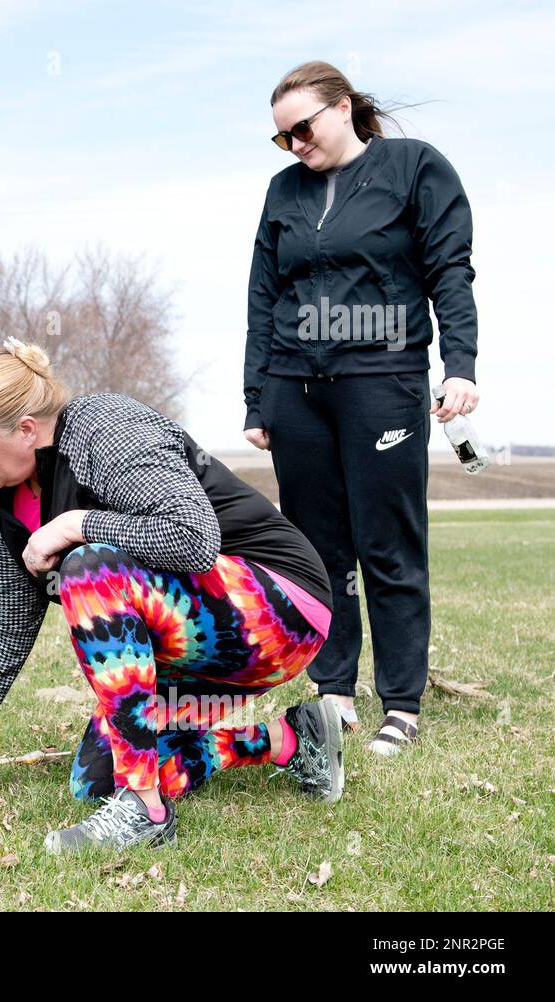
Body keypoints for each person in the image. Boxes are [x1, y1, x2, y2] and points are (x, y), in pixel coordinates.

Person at [0, 339, 343, 854]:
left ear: (26, 429)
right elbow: (3, 637)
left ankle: (146, 811)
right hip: (194, 657)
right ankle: (293, 739)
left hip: (281, 609)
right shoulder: (9, 516)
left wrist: (76, 524)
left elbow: (194, 537)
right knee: (97, 783)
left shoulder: (104, 428)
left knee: (89, 568)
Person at [243, 61, 480, 756]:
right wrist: (258, 396)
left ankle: (401, 703)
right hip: (295, 388)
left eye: (303, 128)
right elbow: (263, 296)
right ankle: (334, 691)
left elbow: (449, 271)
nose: (294, 145)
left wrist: (459, 365)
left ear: (342, 108)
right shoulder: (283, 191)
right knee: (317, 549)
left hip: (384, 379)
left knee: (387, 541)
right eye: (281, 137)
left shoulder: (414, 169)